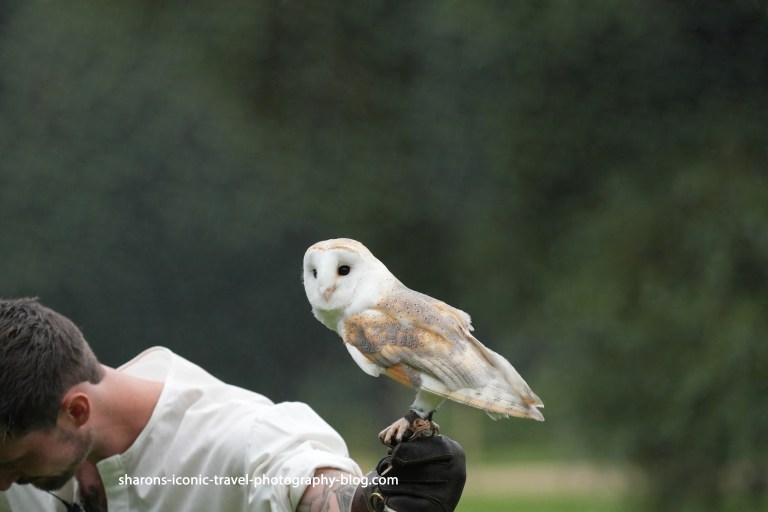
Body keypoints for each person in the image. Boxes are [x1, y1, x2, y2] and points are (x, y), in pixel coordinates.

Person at [0, 298, 465, 511]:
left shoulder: (241, 439)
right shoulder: (23, 446)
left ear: (76, 411)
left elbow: (303, 479)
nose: (4, 484)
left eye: (15, 463)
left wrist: (375, 500)